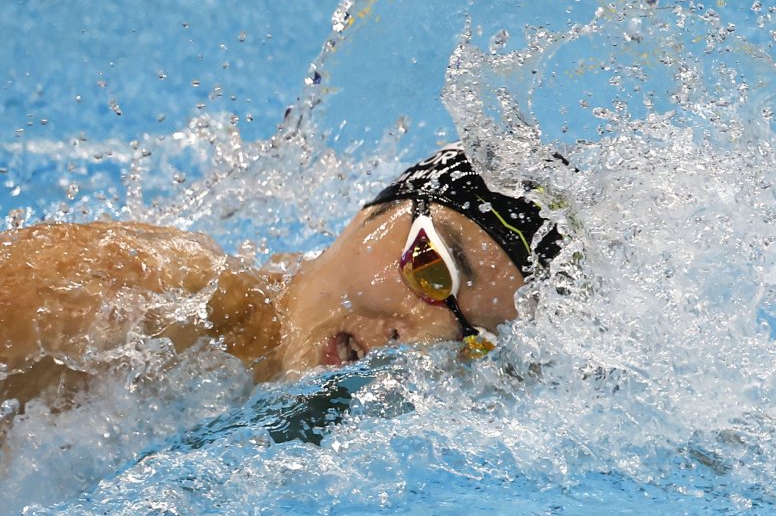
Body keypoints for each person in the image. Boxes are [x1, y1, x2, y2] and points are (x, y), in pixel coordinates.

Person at [0, 145, 562, 417]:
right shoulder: (161, 292)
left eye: (472, 340)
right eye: (431, 266)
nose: (417, 340)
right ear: (374, 212)